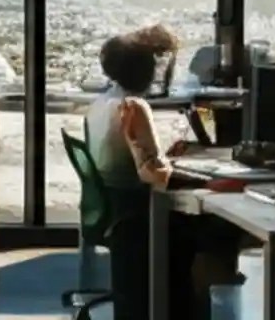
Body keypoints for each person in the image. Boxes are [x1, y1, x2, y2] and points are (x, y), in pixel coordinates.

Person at [84, 25, 247, 320]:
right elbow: (153, 173)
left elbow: (137, 158)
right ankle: (201, 292)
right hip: (141, 216)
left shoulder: (101, 103)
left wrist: (166, 155)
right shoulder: (133, 106)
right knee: (222, 225)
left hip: (120, 211)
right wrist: (212, 182)